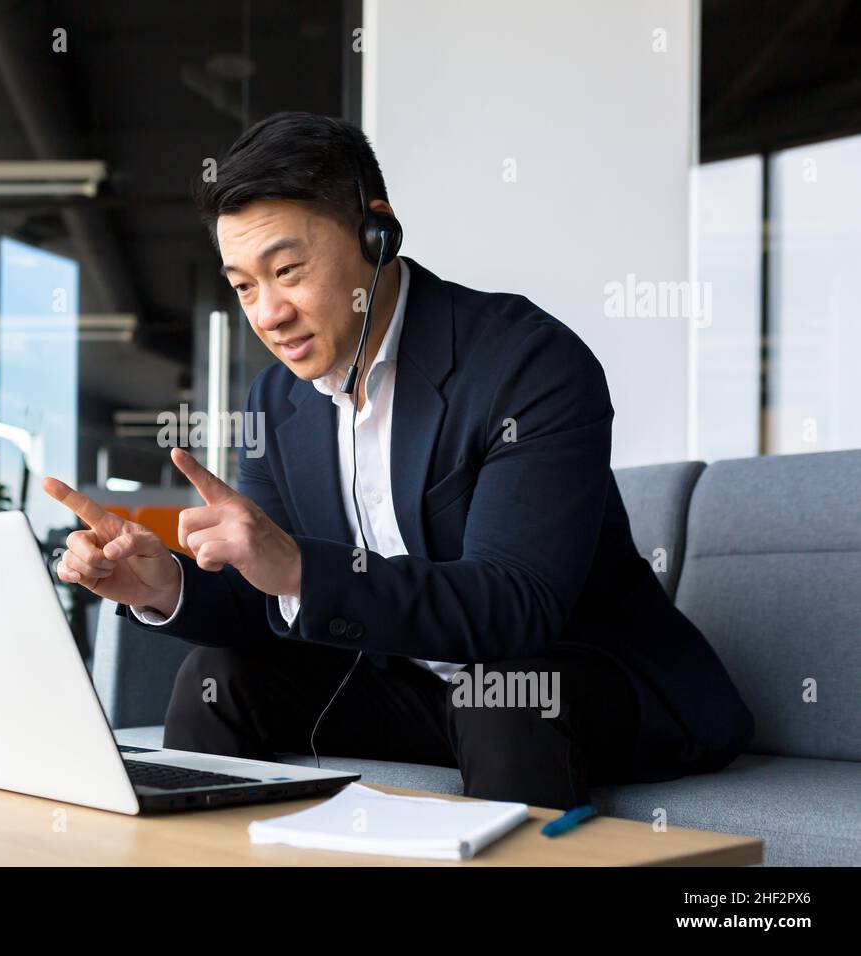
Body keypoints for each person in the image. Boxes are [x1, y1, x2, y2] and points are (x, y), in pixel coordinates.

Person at [43, 111, 753, 810]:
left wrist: (298, 566)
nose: (268, 313)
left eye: (287, 270)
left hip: (579, 681)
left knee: (496, 694)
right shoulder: (276, 402)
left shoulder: (527, 363)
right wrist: (162, 585)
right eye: (244, 286)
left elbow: (517, 606)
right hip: (407, 686)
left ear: (376, 230)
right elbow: (272, 600)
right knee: (218, 674)